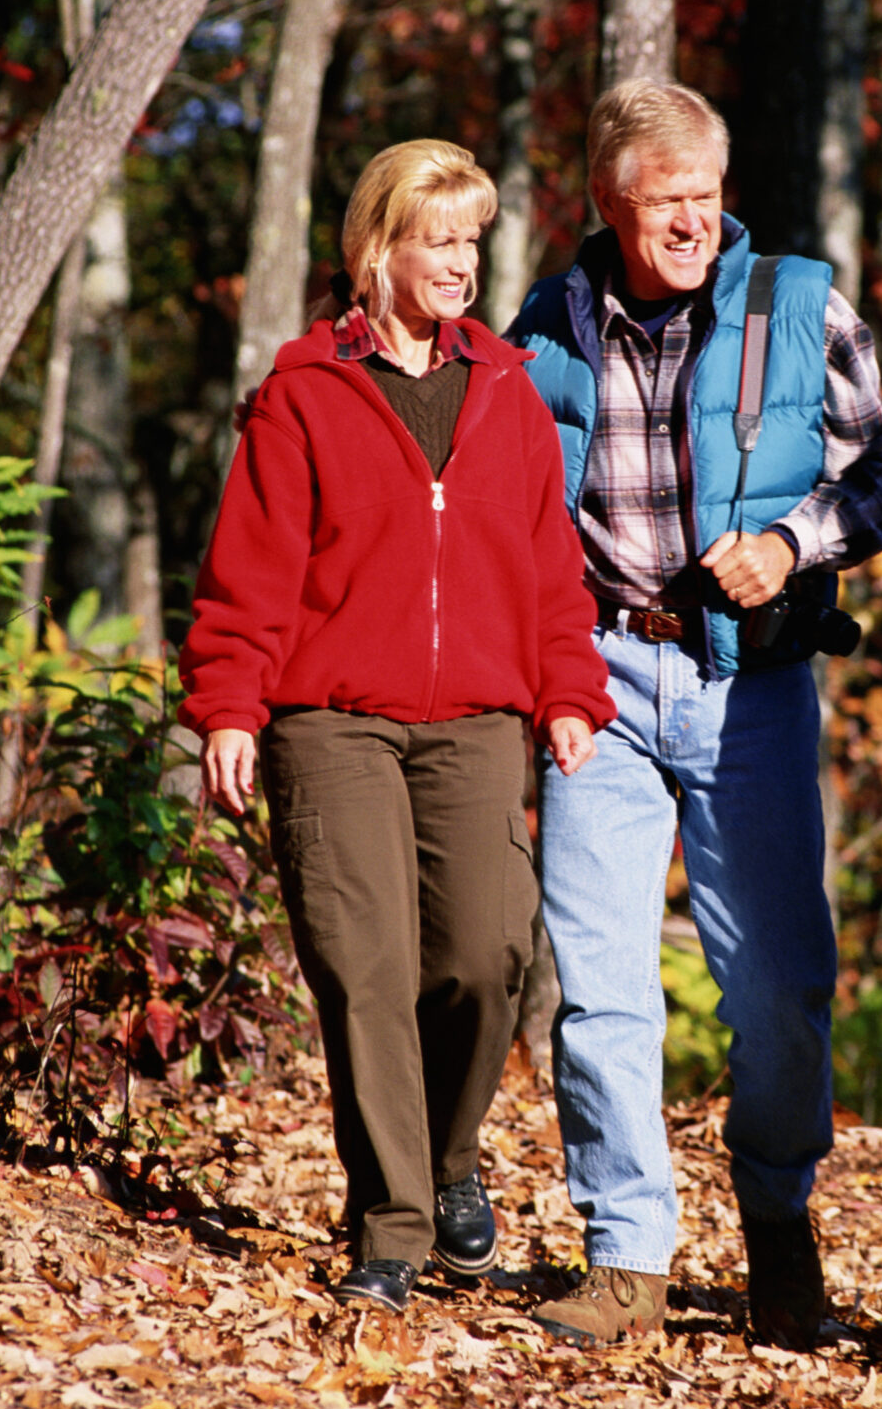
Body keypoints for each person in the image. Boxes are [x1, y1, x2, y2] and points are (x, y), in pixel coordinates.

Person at [506, 80, 882, 1350]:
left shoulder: (799, 306)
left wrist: (791, 544)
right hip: (601, 679)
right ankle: (625, 1257)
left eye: (705, 194)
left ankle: (780, 1236)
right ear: (607, 205)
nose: (690, 220)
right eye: (663, 200)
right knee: (605, 987)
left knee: (780, 989)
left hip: (754, 686)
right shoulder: (546, 324)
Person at [180, 140, 614, 1313]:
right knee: (364, 967)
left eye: (473, 240)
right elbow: (248, 574)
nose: (461, 262)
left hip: (477, 718)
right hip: (330, 721)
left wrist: (569, 689)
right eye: (438, 239)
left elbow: (547, 569)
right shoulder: (305, 393)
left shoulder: (510, 392)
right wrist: (229, 706)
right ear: (377, 250)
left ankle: (452, 1155)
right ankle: (394, 1224)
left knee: (485, 952)